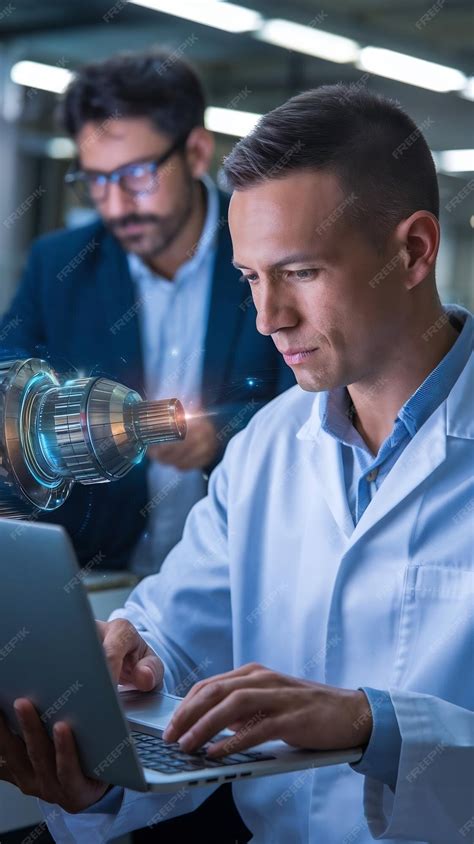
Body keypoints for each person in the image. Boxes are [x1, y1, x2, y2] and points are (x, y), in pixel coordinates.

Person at [1, 84, 472, 843]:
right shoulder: (265, 450)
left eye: (302, 273)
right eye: (251, 276)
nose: (268, 318)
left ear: (413, 250)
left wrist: (372, 723)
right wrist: (125, 681)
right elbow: (177, 649)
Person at [0, 49, 293, 575]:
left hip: (244, 574)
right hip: (100, 574)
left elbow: (311, 400)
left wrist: (219, 435)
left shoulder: (270, 249)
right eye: (95, 180)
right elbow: (6, 377)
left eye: (135, 175)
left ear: (197, 153)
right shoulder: (59, 264)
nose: (114, 206)